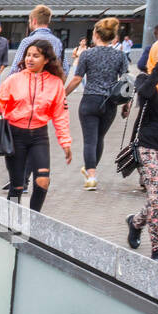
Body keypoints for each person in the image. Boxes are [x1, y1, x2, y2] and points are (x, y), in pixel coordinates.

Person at [0, 39, 73, 212]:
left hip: (39, 136)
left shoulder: (55, 83)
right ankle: (12, 223)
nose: (30, 59)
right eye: (28, 55)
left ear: (46, 60)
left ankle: (34, 221)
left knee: (43, 179)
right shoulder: (14, 80)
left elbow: (60, 115)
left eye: (35, 56)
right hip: (15, 135)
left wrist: (65, 142)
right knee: (17, 185)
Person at [125, 36, 158, 267]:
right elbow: (144, 94)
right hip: (150, 146)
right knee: (157, 197)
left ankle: (136, 223)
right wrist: (157, 66)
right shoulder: (146, 77)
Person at [64, 17, 130, 191]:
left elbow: (77, 79)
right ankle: (91, 171)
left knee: (90, 140)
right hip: (110, 103)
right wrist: (126, 104)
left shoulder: (87, 54)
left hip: (90, 101)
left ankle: (91, 175)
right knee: (99, 138)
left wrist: (62, 95)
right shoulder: (120, 55)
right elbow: (125, 81)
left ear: (96, 34)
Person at [4, 4, 63, 80]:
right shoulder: (58, 42)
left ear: (34, 21)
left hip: (28, 84)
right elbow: (64, 68)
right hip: (50, 85)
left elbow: (16, 68)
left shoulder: (27, 41)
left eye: (29, 21)